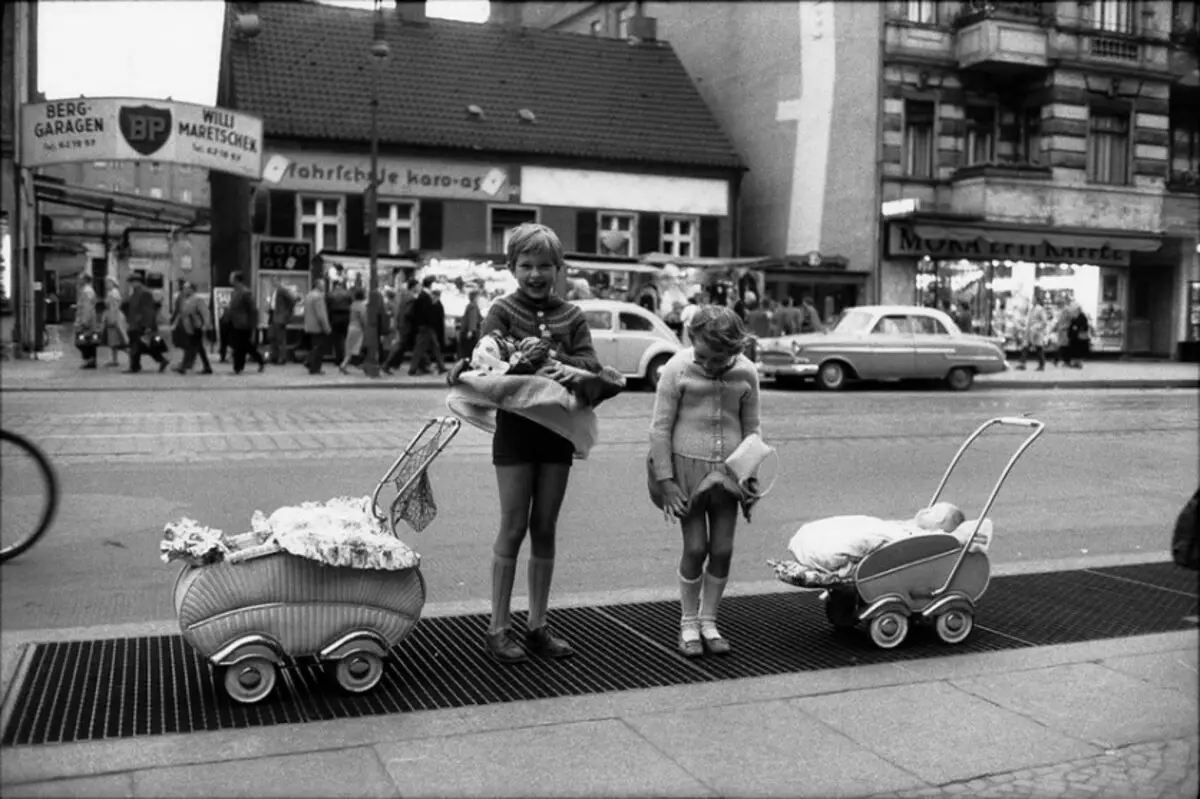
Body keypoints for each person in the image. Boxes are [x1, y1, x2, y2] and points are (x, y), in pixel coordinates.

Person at [480, 223, 602, 664]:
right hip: (515, 430)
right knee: (513, 526)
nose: (535, 274)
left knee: (545, 527)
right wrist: (518, 358)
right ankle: (497, 627)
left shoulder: (571, 314)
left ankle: (537, 625)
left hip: (557, 433)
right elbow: (484, 362)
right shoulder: (500, 309)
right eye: (526, 265)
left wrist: (554, 358)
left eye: (544, 266)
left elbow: (591, 363)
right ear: (512, 267)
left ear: (558, 268)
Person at [648, 305, 762, 658]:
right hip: (687, 474)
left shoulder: (746, 374)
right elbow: (660, 428)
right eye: (702, 355)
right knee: (695, 547)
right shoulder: (676, 368)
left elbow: (752, 428)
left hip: (729, 475)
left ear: (735, 350)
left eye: (718, 358)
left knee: (723, 550)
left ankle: (709, 621)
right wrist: (666, 482)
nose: (708, 364)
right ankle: (687, 621)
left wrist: (750, 475)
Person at [125, 274, 169, 374]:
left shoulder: (144, 293)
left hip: (140, 324)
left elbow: (148, 311)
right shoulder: (135, 293)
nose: (131, 284)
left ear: (138, 282)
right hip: (133, 324)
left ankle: (135, 367)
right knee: (139, 346)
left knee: (138, 345)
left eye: (132, 281)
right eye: (130, 282)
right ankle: (160, 361)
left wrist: (146, 326)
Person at [227, 271, 266, 375]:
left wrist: (253, 325)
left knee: (244, 346)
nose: (230, 279)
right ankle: (239, 366)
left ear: (236, 279)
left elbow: (252, 309)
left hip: (243, 324)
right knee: (241, 346)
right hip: (235, 323)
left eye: (231, 277)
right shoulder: (235, 291)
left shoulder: (245, 292)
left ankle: (241, 366)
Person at [172, 282, 213, 374]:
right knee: (198, 348)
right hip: (190, 328)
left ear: (191, 289)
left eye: (186, 288)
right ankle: (206, 367)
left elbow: (205, 313)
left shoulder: (197, 299)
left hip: (196, 327)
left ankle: (184, 366)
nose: (184, 290)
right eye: (184, 288)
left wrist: (206, 326)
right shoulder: (186, 299)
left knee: (191, 347)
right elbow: (182, 314)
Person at [408, 276, 447, 376]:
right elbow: (425, 313)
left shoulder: (423, 295)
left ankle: (441, 366)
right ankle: (413, 368)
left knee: (433, 346)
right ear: (430, 284)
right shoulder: (425, 296)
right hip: (426, 326)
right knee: (422, 348)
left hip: (425, 326)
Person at [304, 280, 332, 375]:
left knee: (315, 346)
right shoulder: (319, 297)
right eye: (323, 285)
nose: (324, 287)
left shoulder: (309, 295)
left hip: (309, 325)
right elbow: (321, 315)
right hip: (317, 326)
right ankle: (314, 367)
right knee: (319, 348)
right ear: (318, 286)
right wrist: (326, 327)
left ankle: (310, 362)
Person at [339, 287, 368, 374]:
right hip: (358, 329)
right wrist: (366, 328)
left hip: (351, 326)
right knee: (359, 348)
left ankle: (344, 365)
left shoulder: (353, 304)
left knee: (350, 348)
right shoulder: (361, 306)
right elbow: (362, 318)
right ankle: (358, 364)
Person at [74, 273, 100, 369]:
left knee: (84, 341)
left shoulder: (87, 291)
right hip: (87, 318)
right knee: (88, 341)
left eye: (80, 279)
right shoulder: (87, 290)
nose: (79, 281)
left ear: (85, 280)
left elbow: (87, 307)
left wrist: (85, 321)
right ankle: (90, 360)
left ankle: (89, 360)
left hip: (86, 320)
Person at [101, 275, 127, 368]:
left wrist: (112, 319)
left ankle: (131, 355)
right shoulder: (112, 293)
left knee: (117, 339)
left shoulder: (113, 293)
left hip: (114, 317)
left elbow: (114, 307)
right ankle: (114, 360)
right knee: (114, 340)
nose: (107, 284)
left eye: (108, 282)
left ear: (113, 283)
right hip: (113, 316)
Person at [1018, 294, 1049, 371]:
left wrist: (1037, 327)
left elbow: (1044, 322)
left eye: (1033, 299)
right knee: (1025, 347)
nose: (1032, 300)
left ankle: (1042, 365)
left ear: (1037, 300)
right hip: (1030, 333)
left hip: (1036, 333)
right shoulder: (1032, 309)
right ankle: (1022, 364)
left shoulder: (1040, 309)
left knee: (1039, 348)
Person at [269, 279, 297, 365]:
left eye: (274, 280)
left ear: (278, 281)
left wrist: (286, 312)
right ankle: (275, 357)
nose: (272, 282)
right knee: (273, 337)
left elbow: (293, 300)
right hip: (273, 315)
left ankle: (282, 358)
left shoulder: (282, 289)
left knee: (281, 339)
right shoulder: (275, 290)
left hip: (279, 317)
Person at [326, 280, 352, 366]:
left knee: (336, 340)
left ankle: (338, 359)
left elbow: (327, 307)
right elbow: (351, 304)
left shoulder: (330, 294)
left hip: (334, 318)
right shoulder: (347, 293)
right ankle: (346, 359)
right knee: (346, 339)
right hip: (346, 318)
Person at [457, 288, 482, 360]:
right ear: (475, 298)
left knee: (466, 352)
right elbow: (473, 319)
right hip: (470, 333)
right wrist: (471, 331)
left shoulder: (470, 305)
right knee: (469, 353)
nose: (479, 299)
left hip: (466, 332)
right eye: (478, 297)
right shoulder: (473, 306)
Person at [1066, 302, 1090, 369]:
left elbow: (1084, 327)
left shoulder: (1082, 316)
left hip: (1079, 338)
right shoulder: (1074, 316)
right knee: (1074, 351)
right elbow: (1072, 326)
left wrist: (1076, 327)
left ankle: (1079, 364)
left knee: (1079, 351)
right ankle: (1075, 363)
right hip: (1074, 338)